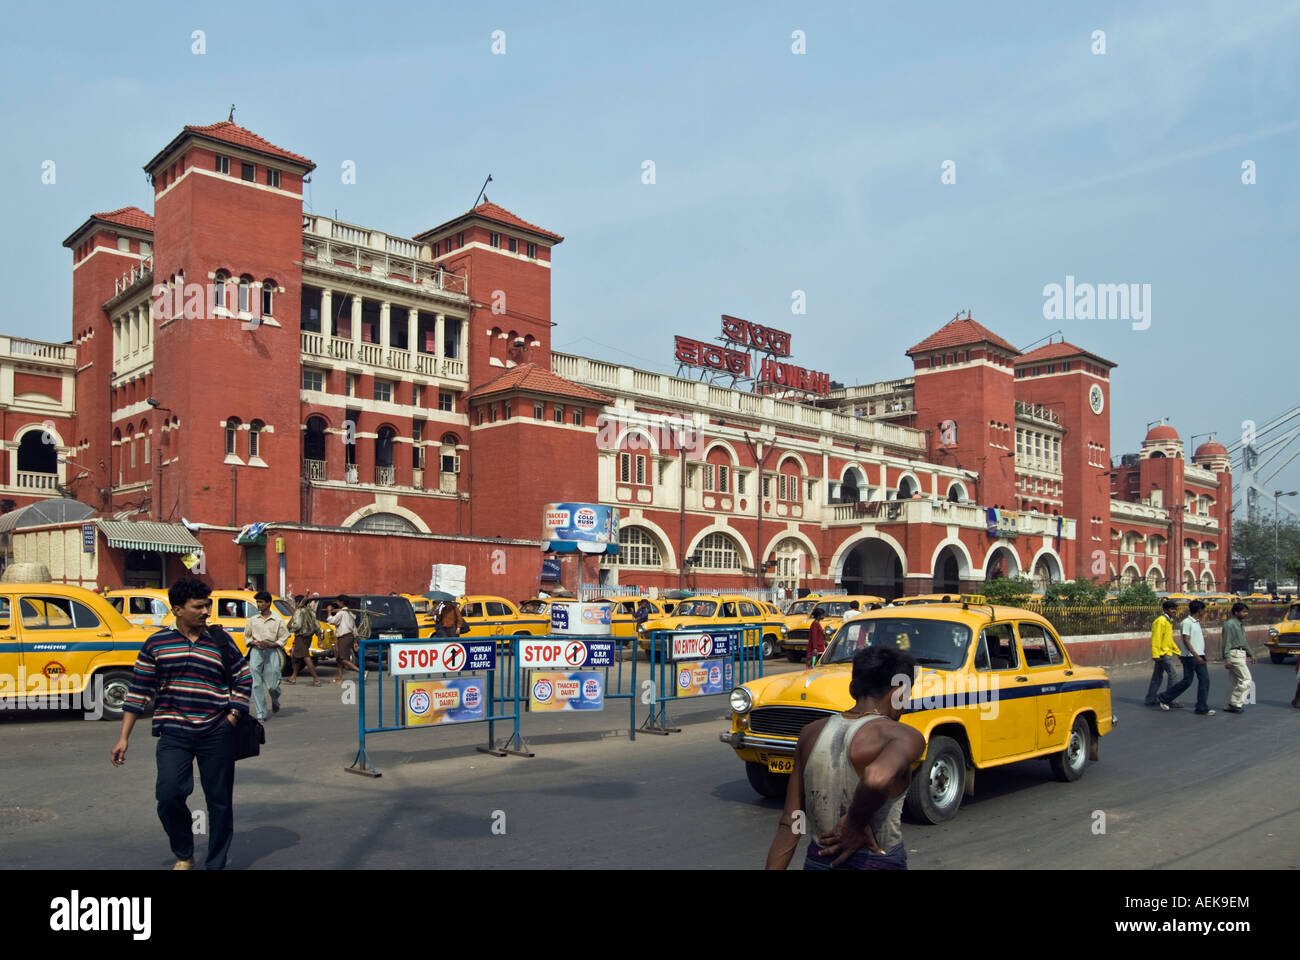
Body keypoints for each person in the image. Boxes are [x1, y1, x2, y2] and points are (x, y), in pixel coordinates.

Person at [110, 577, 251, 870]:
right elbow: (138, 691)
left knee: (220, 802)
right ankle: (184, 852)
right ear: (177, 609)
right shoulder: (156, 643)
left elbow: (243, 677)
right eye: (198, 606)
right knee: (169, 795)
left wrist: (233, 716)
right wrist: (123, 737)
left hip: (217, 731)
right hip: (174, 732)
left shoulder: (220, 641)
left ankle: (216, 863)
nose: (205, 612)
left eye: (207, 605)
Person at [765, 646, 925, 870]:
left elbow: (792, 822)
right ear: (899, 692)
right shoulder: (903, 736)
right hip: (876, 860)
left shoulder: (811, 733)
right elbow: (876, 777)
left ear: (853, 688)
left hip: (820, 858)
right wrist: (854, 823)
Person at [1163, 600, 1214, 716]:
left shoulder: (1196, 622)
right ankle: (1164, 697)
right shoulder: (1187, 622)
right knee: (1188, 681)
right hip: (1191, 656)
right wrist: (1196, 656)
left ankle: (1201, 707)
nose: (1203, 612)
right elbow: (1186, 640)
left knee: (1203, 681)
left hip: (1198, 655)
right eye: (1203, 610)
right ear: (1199, 610)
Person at [243, 591, 288, 720]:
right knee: (256, 684)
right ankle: (261, 713)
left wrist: (271, 644)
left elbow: (284, 637)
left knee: (273, 684)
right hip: (256, 652)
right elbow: (246, 636)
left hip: (271, 652)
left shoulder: (277, 620)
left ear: (268, 603)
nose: (259, 604)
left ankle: (275, 698)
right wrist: (254, 643)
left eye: (261, 602)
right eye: (258, 602)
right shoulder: (253, 620)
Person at [1144, 600, 1182, 708]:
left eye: (1175, 609)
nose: (1174, 611)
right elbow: (1156, 639)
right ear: (1165, 610)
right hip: (1163, 653)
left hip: (1165, 652)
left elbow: (1168, 640)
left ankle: (1150, 699)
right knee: (1173, 675)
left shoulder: (1168, 621)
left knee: (1157, 677)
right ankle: (1169, 699)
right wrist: (1155, 654)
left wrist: (1177, 651)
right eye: (1171, 609)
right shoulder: (1160, 621)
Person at [1221, 602, 1255, 713]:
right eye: (1244, 612)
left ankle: (1229, 705)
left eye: (1246, 612)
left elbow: (1243, 642)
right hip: (1234, 654)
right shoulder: (1230, 624)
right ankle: (1235, 703)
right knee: (1246, 680)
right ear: (1236, 612)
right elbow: (1227, 642)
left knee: (1235, 682)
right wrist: (1227, 658)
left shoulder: (1239, 624)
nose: (1246, 614)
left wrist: (1251, 654)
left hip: (1240, 653)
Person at [287, 594, 322, 685]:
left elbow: (297, 625)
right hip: (309, 637)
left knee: (306, 657)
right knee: (296, 658)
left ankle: (316, 679)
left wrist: (291, 626)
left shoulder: (299, 611)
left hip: (301, 637)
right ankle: (293, 677)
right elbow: (317, 626)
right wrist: (319, 638)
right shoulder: (311, 612)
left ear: (298, 602)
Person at [329, 598, 360, 682]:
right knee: (339, 659)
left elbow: (332, 621)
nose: (338, 603)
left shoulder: (342, 613)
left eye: (338, 602)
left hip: (344, 637)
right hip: (348, 637)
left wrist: (329, 612)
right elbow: (354, 629)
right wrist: (355, 641)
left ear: (342, 603)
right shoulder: (350, 614)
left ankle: (361, 671)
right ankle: (339, 677)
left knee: (343, 659)